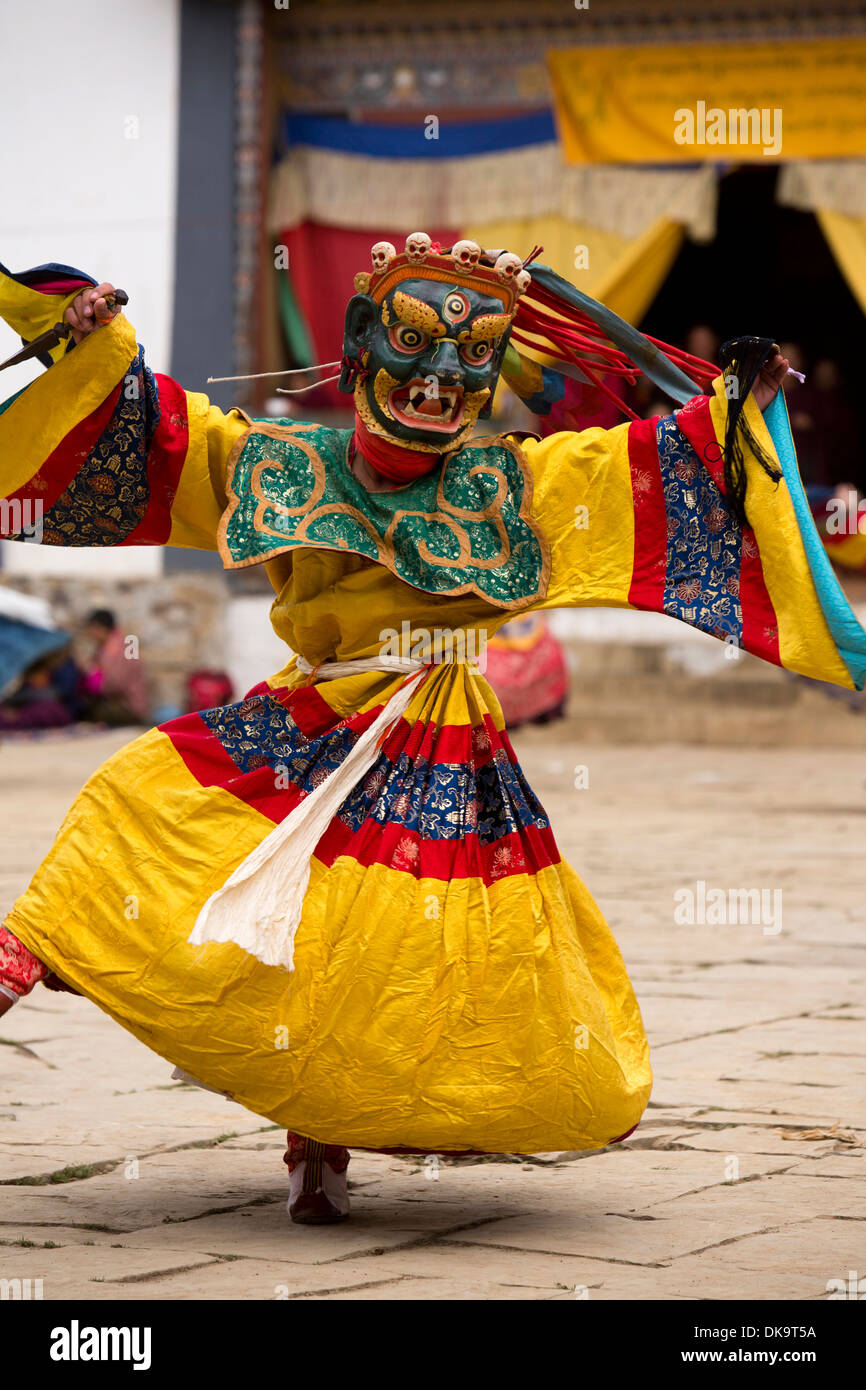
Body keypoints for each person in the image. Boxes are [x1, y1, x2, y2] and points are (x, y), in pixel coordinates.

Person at [0, 243, 864, 1226]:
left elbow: (654, 462)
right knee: (132, 799)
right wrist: (77, 339)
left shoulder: (513, 485)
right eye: (413, 343)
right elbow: (154, 433)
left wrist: (733, 412)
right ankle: (30, 952)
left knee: (380, 949)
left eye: (471, 358)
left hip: (438, 744)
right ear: (362, 349)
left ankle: (318, 1129)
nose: (438, 379)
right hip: (309, 717)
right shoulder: (282, 462)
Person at [78, 607, 149, 725]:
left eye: (92, 630)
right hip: (116, 700)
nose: (91, 635)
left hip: (128, 705)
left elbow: (117, 683)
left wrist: (93, 676)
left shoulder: (124, 648)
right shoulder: (104, 648)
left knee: (89, 709)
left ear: (100, 628)